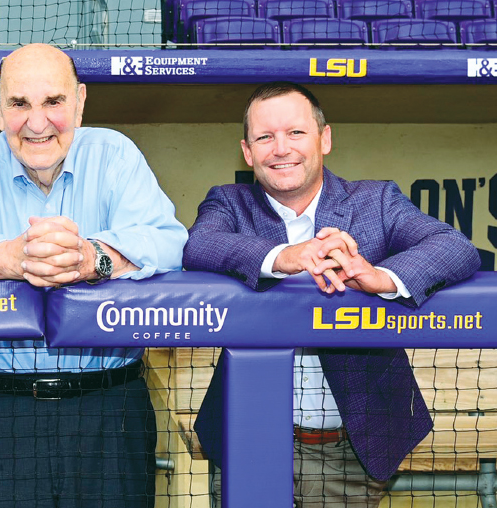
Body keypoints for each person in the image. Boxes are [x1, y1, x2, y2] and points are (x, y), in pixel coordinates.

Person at [0, 44, 188, 507]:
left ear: (80, 100)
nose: (37, 122)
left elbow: (169, 242)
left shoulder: (116, 154)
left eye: (53, 101)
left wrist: (93, 257)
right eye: (19, 104)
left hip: (108, 413)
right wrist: (7, 258)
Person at [184, 81, 480, 507]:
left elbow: (455, 246)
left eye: (296, 133)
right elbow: (199, 246)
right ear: (248, 152)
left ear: (324, 138)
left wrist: (381, 277)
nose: (280, 148)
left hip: (350, 451)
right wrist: (287, 256)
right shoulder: (229, 203)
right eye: (265, 137)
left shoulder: (376, 201)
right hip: (248, 438)